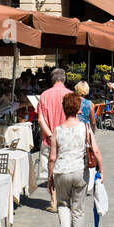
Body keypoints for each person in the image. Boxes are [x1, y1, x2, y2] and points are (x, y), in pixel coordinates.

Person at [47, 91, 102, 227]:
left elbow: (52, 157)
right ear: (78, 109)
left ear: (64, 109)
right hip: (79, 172)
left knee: (63, 205)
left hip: (61, 171)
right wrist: (102, 169)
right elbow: (96, 151)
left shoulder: (57, 130)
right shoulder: (85, 128)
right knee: (78, 209)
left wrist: (50, 176)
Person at [36, 69, 71, 205]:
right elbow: (74, 118)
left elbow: (40, 119)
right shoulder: (70, 95)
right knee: (66, 168)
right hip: (66, 137)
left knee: (52, 169)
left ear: (52, 79)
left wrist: (50, 134)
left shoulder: (45, 95)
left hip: (49, 138)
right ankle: (64, 197)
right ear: (64, 79)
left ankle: (53, 199)